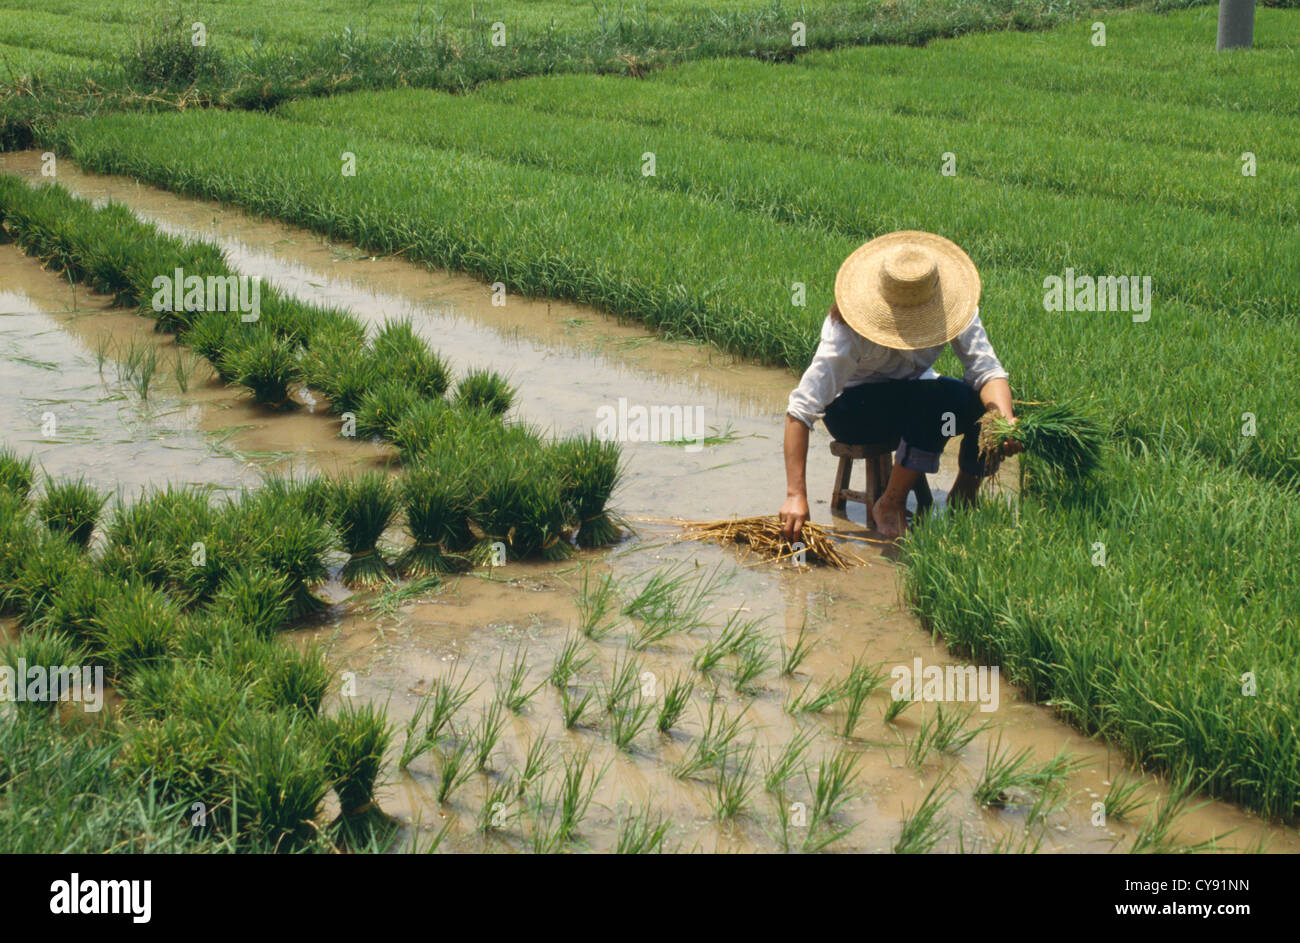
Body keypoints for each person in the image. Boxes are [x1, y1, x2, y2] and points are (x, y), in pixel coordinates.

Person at [778, 231, 1022, 541]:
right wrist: (795, 494)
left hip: (917, 399)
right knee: (935, 402)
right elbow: (800, 410)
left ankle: (965, 493)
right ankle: (889, 503)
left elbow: (986, 370)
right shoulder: (848, 330)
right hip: (855, 411)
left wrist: (1004, 421)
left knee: (983, 407)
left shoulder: (954, 308)